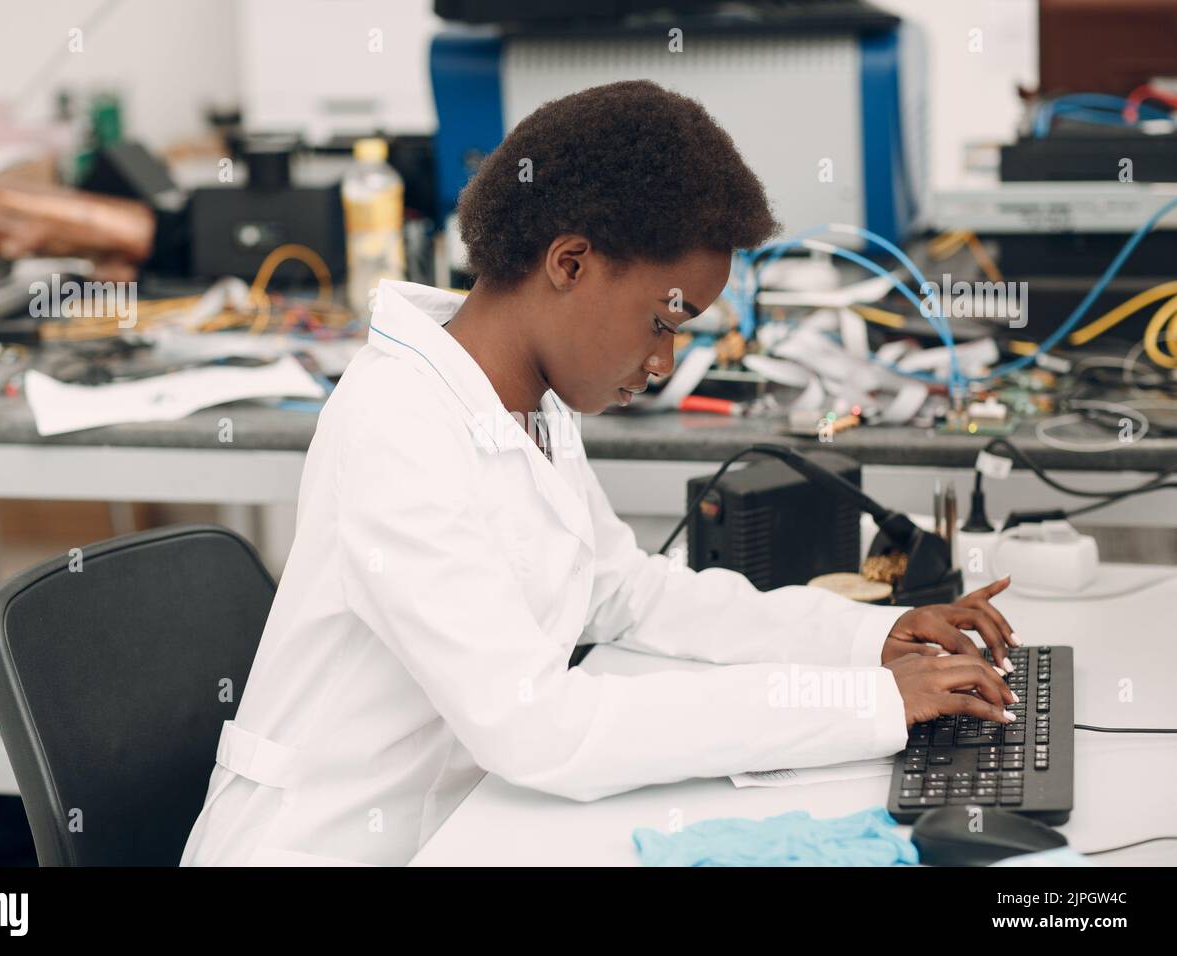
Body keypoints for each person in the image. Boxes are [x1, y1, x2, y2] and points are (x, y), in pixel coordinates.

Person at [181, 80, 1018, 867]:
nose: (663, 361)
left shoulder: (530, 402)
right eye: (662, 319)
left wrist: (865, 640)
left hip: (461, 829)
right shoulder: (397, 425)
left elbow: (625, 593)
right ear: (570, 263)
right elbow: (537, 727)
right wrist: (869, 708)